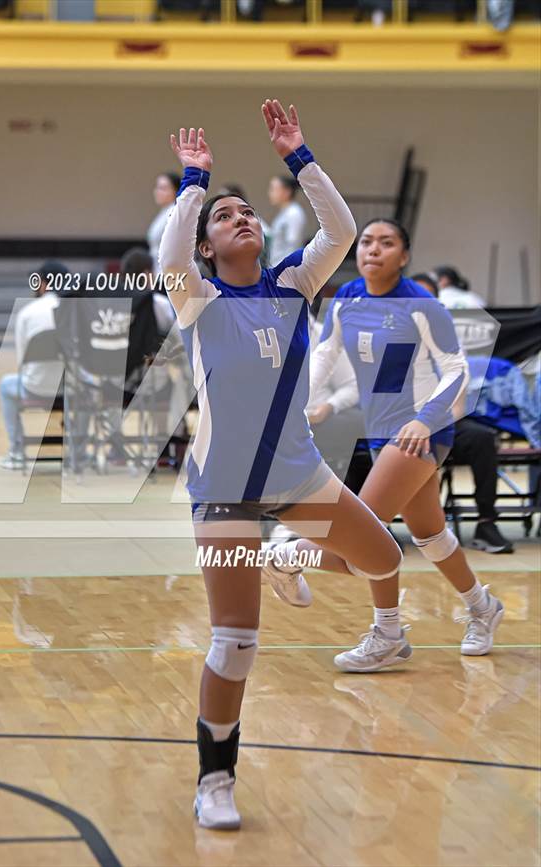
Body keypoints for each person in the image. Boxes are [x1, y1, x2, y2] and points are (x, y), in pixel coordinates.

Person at [159, 101, 403, 831]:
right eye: (224, 217)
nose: (242, 219)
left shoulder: (294, 285)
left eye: (247, 212)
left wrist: (300, 156)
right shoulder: (196, 296)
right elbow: (171, 257)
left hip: (300, 477)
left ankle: (293, 554)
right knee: (235, 642)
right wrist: (194, 183)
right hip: (226, 492)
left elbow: (341, 231)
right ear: (208, 246)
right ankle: (215, 778)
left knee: (383, 555)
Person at [269, 219, 504, 672]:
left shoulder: (423, 305)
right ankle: (481, 606)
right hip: (380, 432)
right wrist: (296, 407)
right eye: (368, 242)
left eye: (387, 243)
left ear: (404, 255)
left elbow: (456, 370)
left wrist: (425, 419)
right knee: (430, 536)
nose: (373, 249)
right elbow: (323, 356)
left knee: (365, 538)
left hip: (420, 433)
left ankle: (291, 557)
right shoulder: (346, 300)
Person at [412, 271, 514, 553]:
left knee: (481, 438)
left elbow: (458, 404)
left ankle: (486, 523)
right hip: (399, 425)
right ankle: (376, 525)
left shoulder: (450, 345)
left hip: (443, 423)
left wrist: (430, 423)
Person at [0, 261, 67, 470]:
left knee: (5, 385)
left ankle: (17, 452)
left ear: (46, 284)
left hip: (35, 388)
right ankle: (80, 453)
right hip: (72, 391)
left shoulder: (28, 313)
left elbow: (22, 361)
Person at [266, 173, 306, 267]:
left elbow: (293, 246)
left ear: (287, 192)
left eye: (273, 189)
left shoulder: (294, 213)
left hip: (286, 270)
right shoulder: (284, 213)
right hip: (276, 266)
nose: (270, 193)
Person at [147, 171, 180, 273]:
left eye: (163, 188)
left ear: (175, 191)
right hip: (158, 270)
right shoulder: (165, 212)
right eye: (158, 187)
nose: (158, 191)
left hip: (169, 272)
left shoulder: (175, 212)